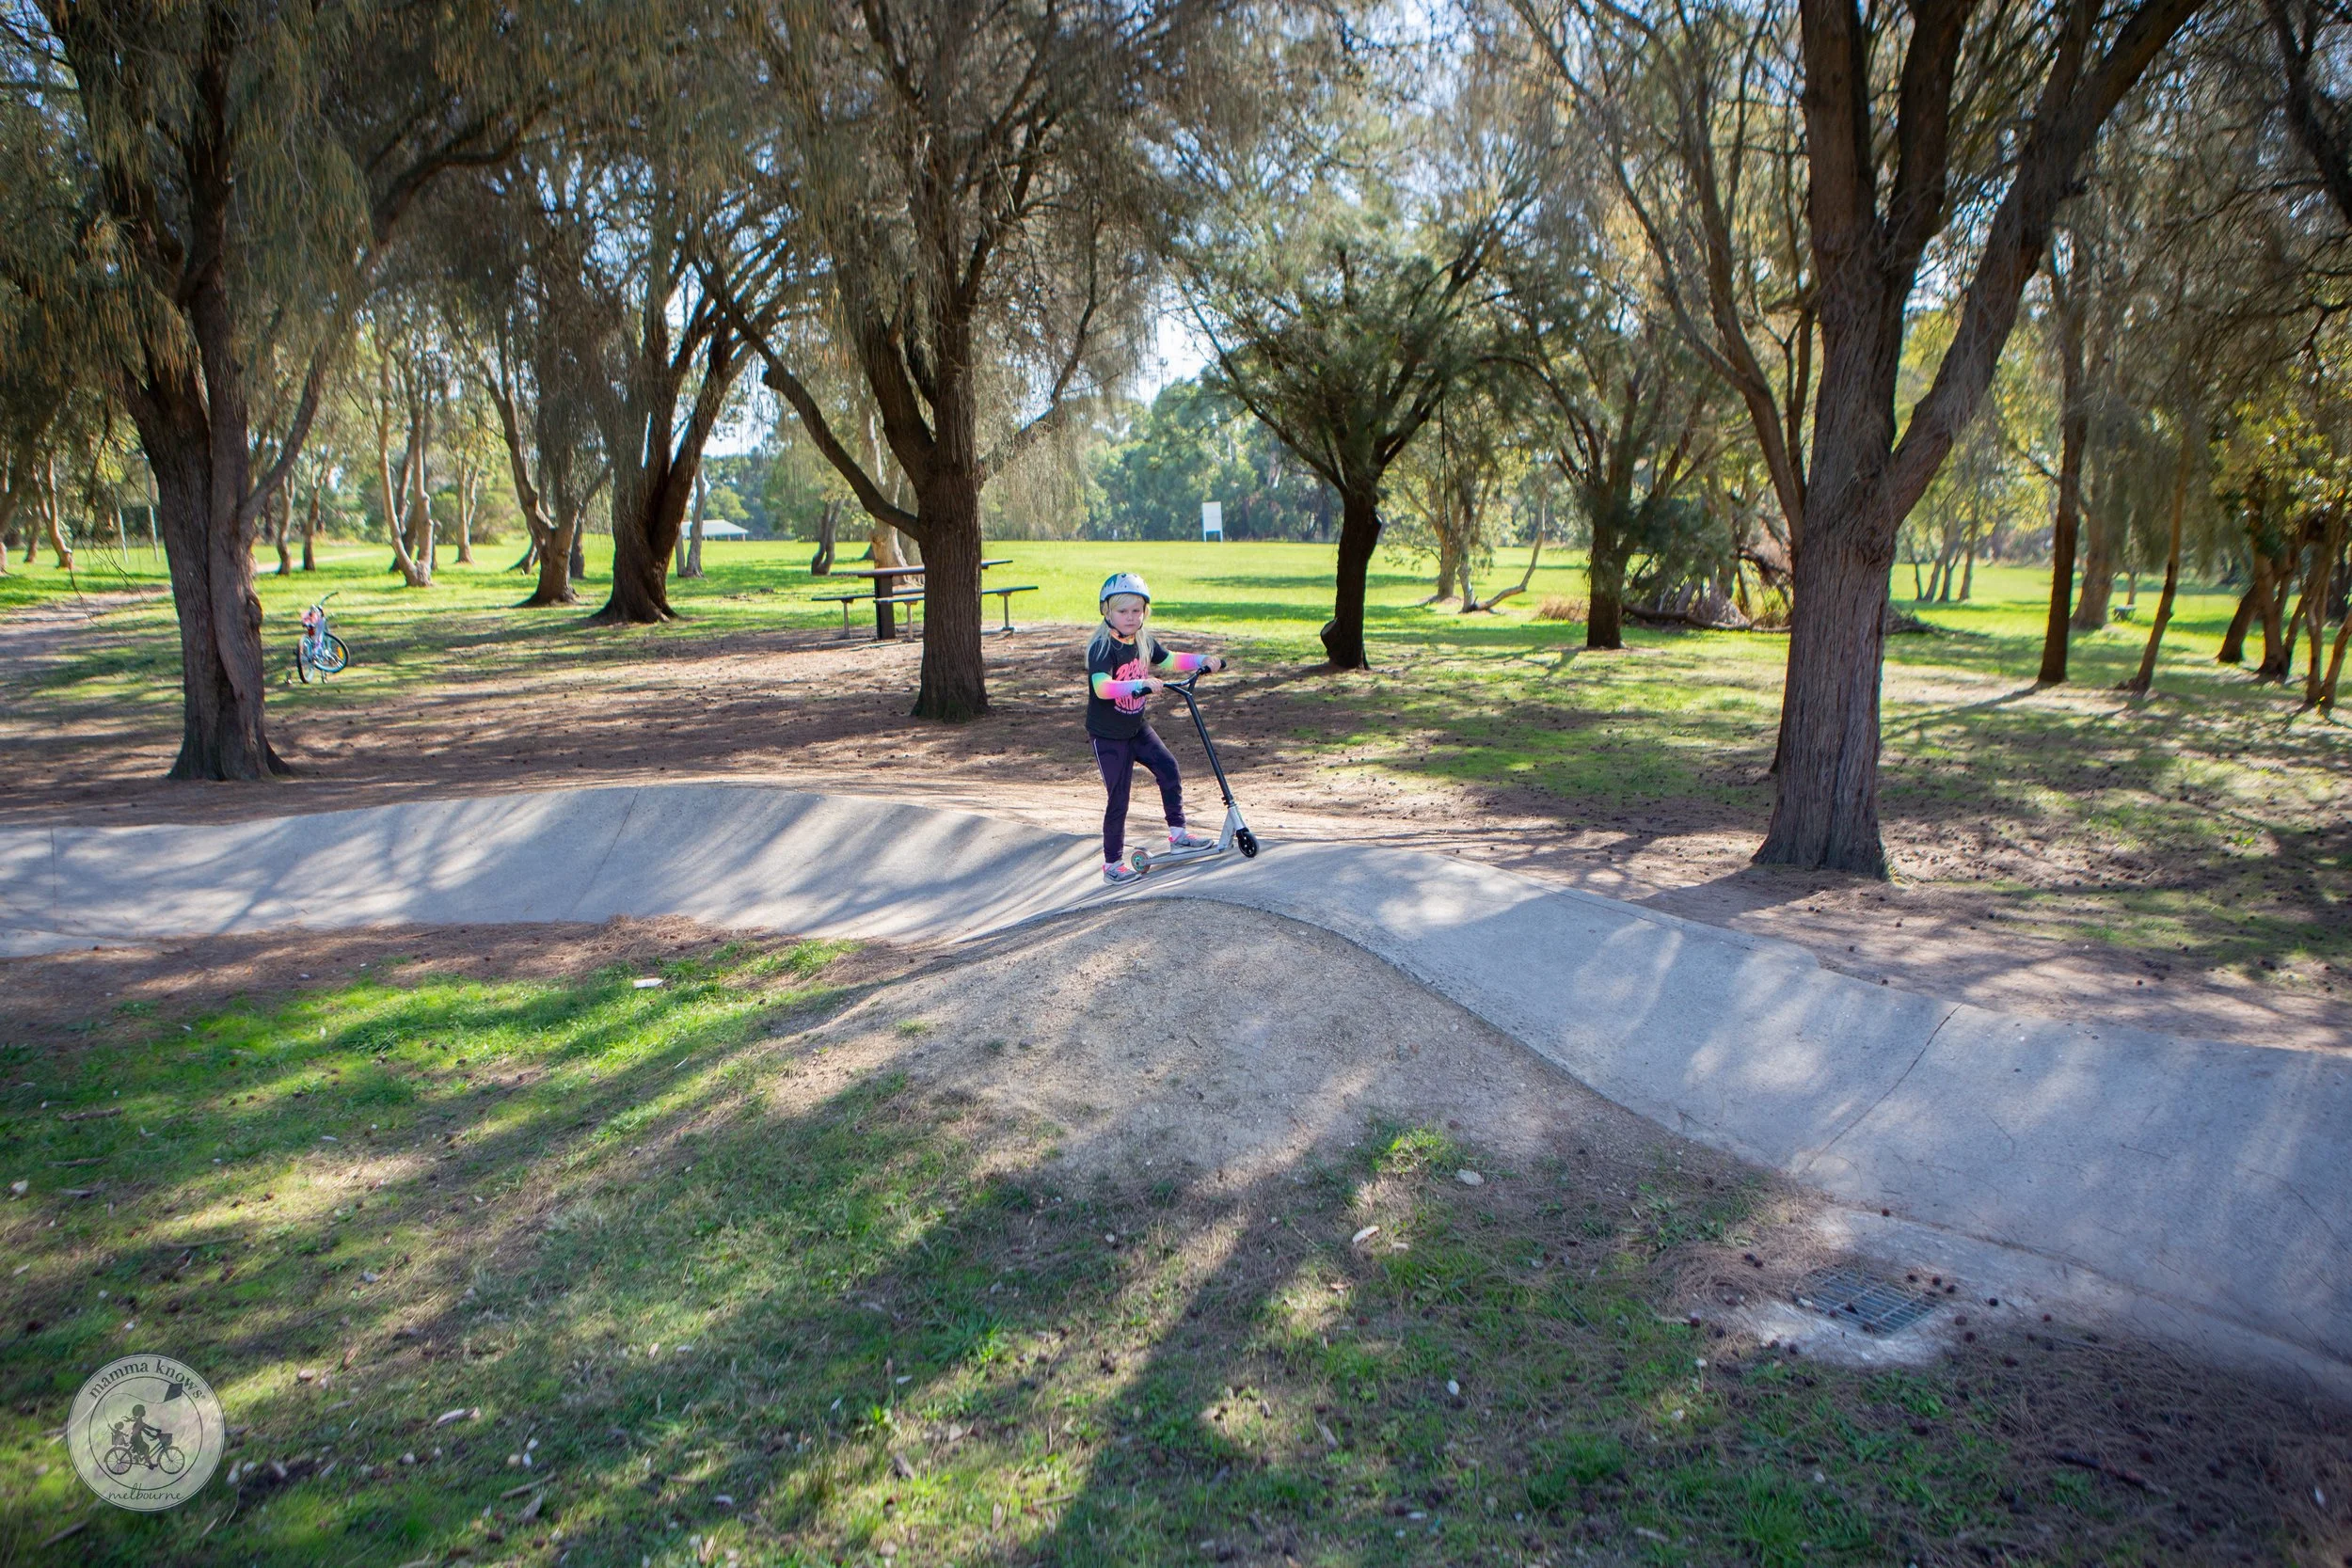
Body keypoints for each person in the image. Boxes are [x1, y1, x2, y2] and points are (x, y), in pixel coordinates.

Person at [1085, 572, 1229, 883]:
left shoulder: (1143, 640)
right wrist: (1138, 685)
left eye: (1137, 611)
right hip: (1109, 737)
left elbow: (1170, 659)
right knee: (1119, 796)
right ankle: (1112, 865)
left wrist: (1202, 659)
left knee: (1168, 767)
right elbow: (1102, 688)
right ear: (1106, 611)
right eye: (1123, 611)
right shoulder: (1101, 647)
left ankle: (1178, 836)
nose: (1130, 617)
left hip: (1136, 727)